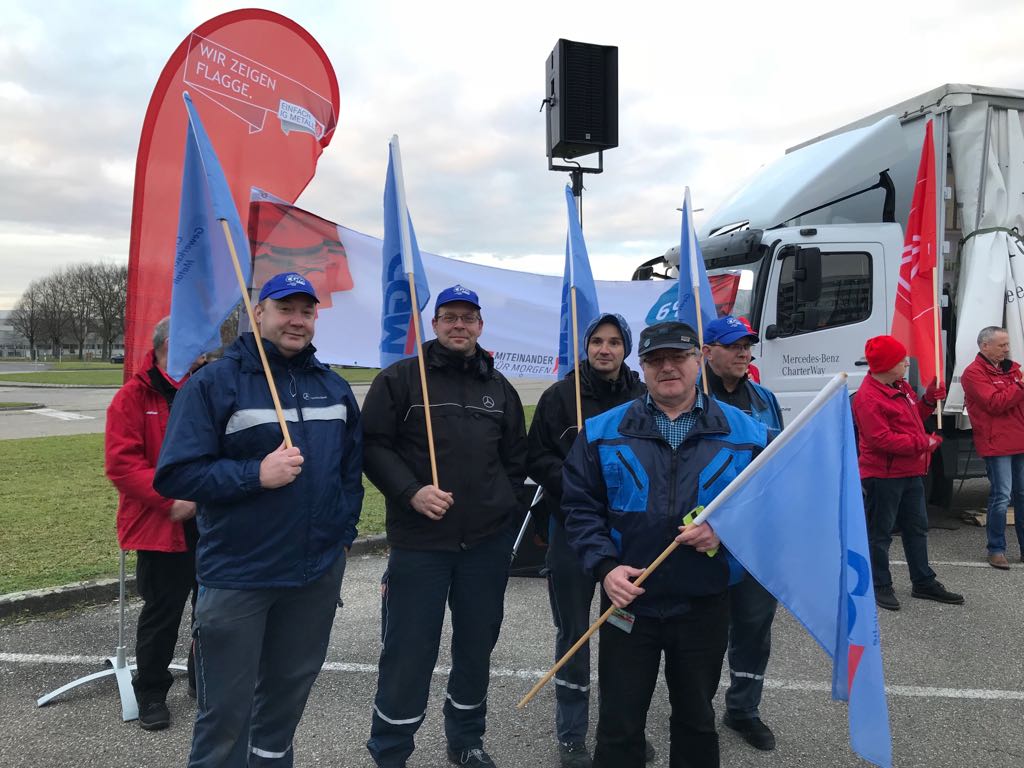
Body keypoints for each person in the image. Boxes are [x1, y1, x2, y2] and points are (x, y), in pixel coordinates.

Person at [154, 272, 363, 768]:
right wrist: (255, 475)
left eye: (306, 311)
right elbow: (177, 474)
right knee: (225, 712)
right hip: (239, 575)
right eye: (285, 308)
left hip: (314, 575)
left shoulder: (332, 387)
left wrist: (343, 536)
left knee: (286, 702)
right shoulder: (214, 382)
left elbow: (349, 472)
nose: (297, 320)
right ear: (258, 313)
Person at [562, 320, 768, 768]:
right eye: (656, 360)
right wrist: (605, 568)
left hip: (704, 601)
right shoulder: (601, 431)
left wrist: (725, 533)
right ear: (642, 367)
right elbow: (579, 509)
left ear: (699, 361)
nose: (668, 367)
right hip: (627, 603)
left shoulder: (747, 434)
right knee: (618, 722)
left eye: (679, 357)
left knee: (696, 718)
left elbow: (766, 510)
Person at [362, 285, 528, 768]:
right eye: (450, 317)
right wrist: (411, 490)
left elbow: (515, 459)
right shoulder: (399, 380)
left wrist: (502, 508)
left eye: (469, 318)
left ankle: (467, 738)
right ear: (434, 324)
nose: (460, 325)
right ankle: (391, 749)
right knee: (408, 652)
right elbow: (373, 446)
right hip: (421, 545)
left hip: (484, 547)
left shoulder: (499, 388)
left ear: (480, 325)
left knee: (476, 647)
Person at [527, 313, 648, 768]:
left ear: (625, 349)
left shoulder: (642, 396)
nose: (604, 349)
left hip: (629, 535)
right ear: (586, 346)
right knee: (574, 632)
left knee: (623, 631)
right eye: (596, 341)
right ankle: (572, 732)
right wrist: (577, 485)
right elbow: (534, 455)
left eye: (614, 342)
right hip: (573, 531)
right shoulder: (560, 397)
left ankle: (619, 728)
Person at [105, 317, 202, 730]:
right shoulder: (132, 396)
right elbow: (122, 464)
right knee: (162, 614)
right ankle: (152, 693)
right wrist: (170, 500)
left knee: (213, 611)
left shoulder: (206, 388)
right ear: (167, 345)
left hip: (213, 523)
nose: (202, 352)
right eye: (194, 343)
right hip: (163, 527)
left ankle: (205, 680)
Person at [701, 316, 782, 752]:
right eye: (732, 345)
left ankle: (743, 709)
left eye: (747, 345)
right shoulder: (692, 395)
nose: (743, 352)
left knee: (754, 624)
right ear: (707, 351)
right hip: (706, 532)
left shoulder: (765, 398)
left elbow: (780, 457)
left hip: (755, 532)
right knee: (704, 625)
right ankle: (696, 705)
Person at [851, 335, 963, 611]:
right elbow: (881, 440)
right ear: (888, 365)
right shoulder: (868, 398)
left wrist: (927, 400)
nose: (905, 364)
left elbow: (914, 418)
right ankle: (880, 584)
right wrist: (922, 444)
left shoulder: (899, 386)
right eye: (901, 360)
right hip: (883, 476)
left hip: (910, 471)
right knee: (880, 533)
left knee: (916, 528)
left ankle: (923, 581)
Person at [960, 326, 1024, 569]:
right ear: (984, 346)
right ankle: (996, 549)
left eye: (1007, 344)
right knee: (1002, 496)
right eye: (1001, 345)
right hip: (997, 443)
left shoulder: (1013, 369)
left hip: (1019, 438)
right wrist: (1020, 386)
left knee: (1022, 495)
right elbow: (995, 403)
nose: (1006, 349)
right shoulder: (973, 374)